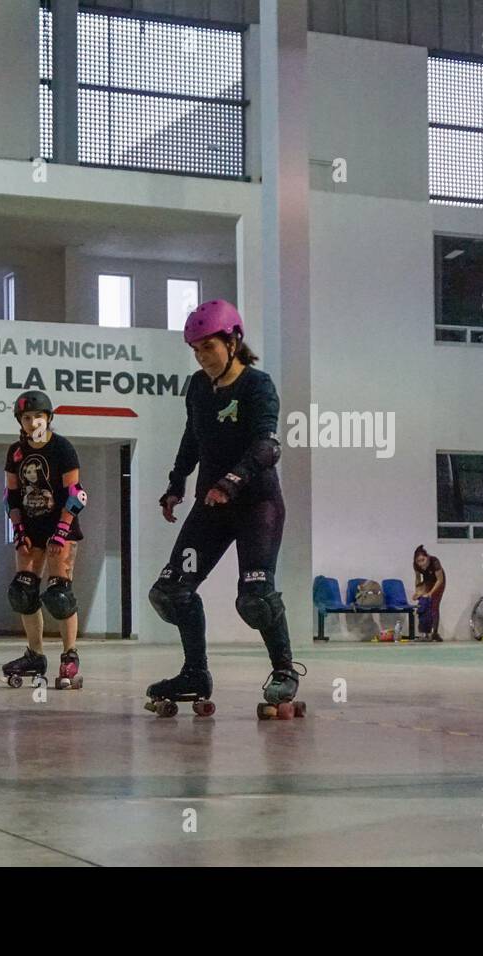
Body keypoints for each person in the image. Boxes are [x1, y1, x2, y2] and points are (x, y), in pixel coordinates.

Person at [146, 300, 304, 718]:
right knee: (170, 593)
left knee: (255, 599)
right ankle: (195, 673)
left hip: (257, 504)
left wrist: (231, 482)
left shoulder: (258, 385)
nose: (202, 357)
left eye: (208, 348)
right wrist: (176, 484)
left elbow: (268, 447)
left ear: (234, 341)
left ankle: (284, 671)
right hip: (212, 505)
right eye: (195, 350)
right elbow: (192, 438)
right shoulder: (198, 387)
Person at [1, 391, 87, 690]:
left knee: (59, 595)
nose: (33, 421)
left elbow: (76, 495)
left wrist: (61, 531)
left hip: (60, 524)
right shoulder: (15, 452)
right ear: (20, 421)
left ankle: (69, 655)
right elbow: (10, 496)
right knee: (23, 591)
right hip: (31, 528)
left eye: (38, 416)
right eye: (26, 417)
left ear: (49, 418)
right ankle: (35, 655)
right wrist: (19, 529)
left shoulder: (62, 448)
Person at [411, 545, 446, 641]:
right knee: (423, 604)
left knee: (434, 605)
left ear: (427, 557)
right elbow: (418, 579)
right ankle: (424, 633)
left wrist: (431, 593)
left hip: (439, 582)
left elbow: (440, 580)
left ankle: (434, 632)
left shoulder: (435, 562)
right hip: (427, 581)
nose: (421, 563)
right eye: (418, 561)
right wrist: (417, 592)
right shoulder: (416, 566)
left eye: (423, 560)